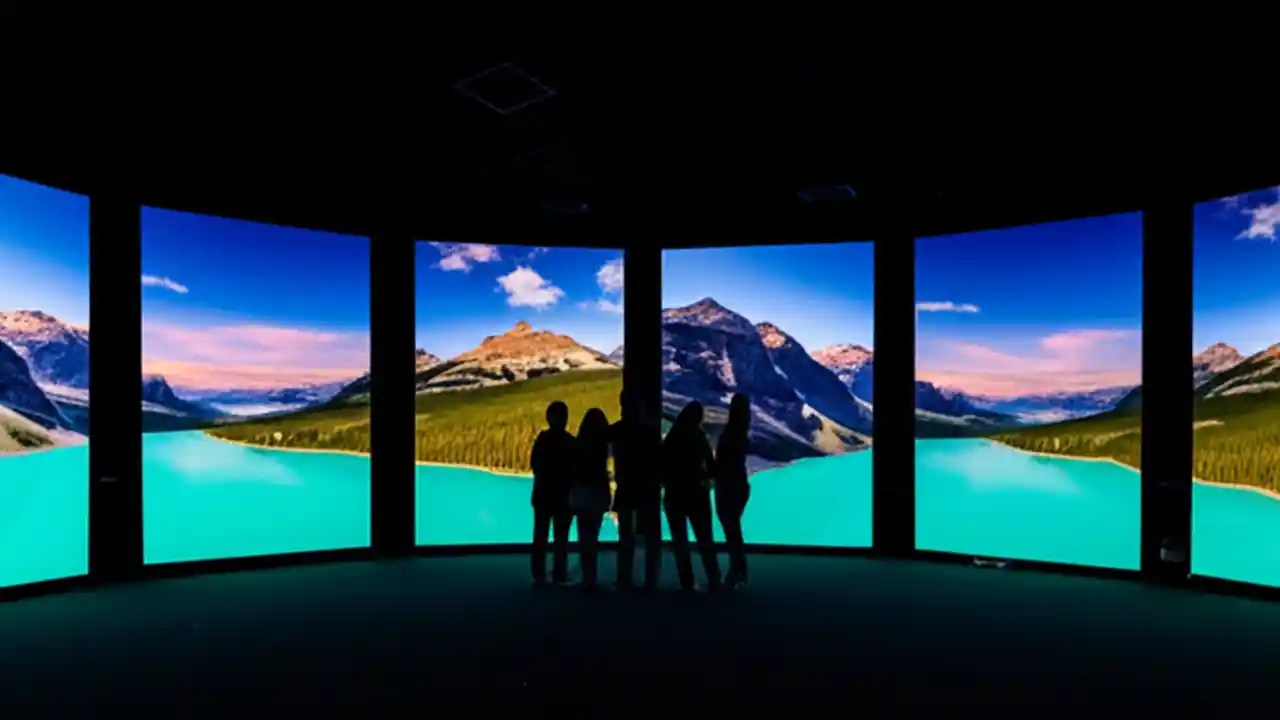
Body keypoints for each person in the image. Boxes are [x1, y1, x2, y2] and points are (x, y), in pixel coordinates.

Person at [661, 401, 722, 592]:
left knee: (680, 540)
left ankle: (686, 580)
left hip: (674, 496)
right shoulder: (699, 437)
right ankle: (714, 579)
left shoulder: (671, 439)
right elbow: (711, 466)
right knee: (705, 538)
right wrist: (709, 480)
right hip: (697, 495)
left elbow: (660, 468)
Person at [611, 390, 662, 591]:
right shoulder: (650, 431)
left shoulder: (618, 430)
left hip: (626, 488)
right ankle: (651, 579)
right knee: (651, 536)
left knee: (626, 536)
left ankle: (624, 578)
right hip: (647, 488)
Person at [530, 401, 575, 587]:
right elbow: (575, 471)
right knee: (561, 537)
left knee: (540, 535)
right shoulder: (571, 442)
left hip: (543, 494)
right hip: (563, 496)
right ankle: (560, 573)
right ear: (565, 418)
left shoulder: (542, 439)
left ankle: (538, 573)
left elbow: (535, 465)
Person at [570, 407, 613, 590]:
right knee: (593, 537)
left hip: (581, 494)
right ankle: (591, 577)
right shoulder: (604, 445)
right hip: (598, 493)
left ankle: (587, 576)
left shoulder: (578, 445)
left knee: (583, 536)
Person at [715, 393, 752, 589]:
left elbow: (723, 463)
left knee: (731, 531)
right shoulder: (741, 431)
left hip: (728, 486)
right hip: (739, 484)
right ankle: (738, 570)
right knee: (734, 530)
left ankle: (737, 570)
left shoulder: (731, 434)